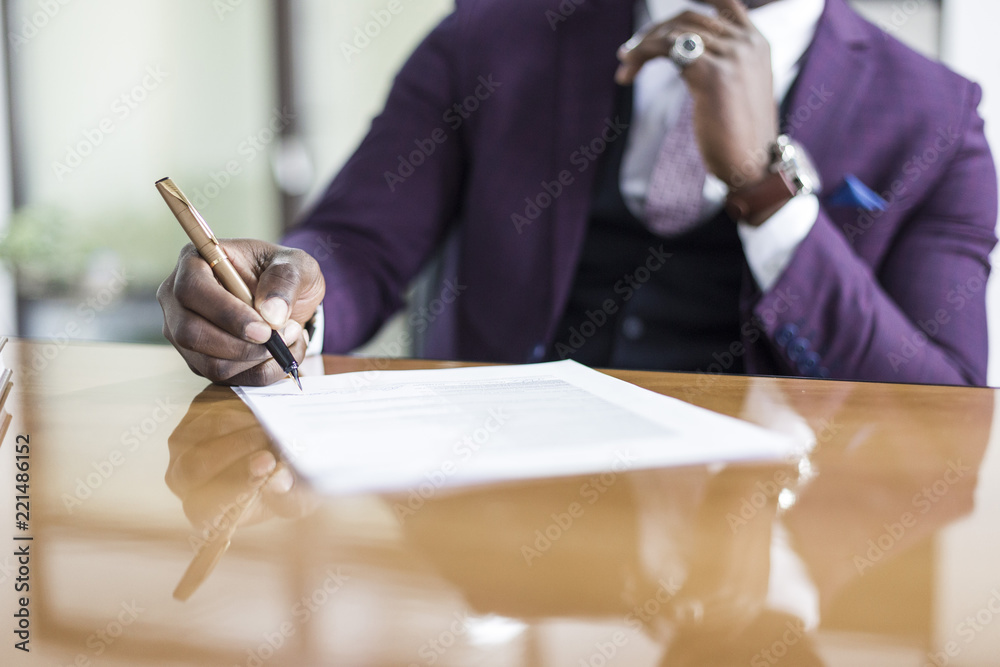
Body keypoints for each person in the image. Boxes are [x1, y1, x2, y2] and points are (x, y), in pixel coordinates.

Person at [157, 0, 997, 387]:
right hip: (503, 526)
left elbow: (946, 393)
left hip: (782, 542)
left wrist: (765, 192)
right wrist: (283, 301)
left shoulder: (936, 116)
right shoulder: (487, 37)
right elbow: (359, 243)